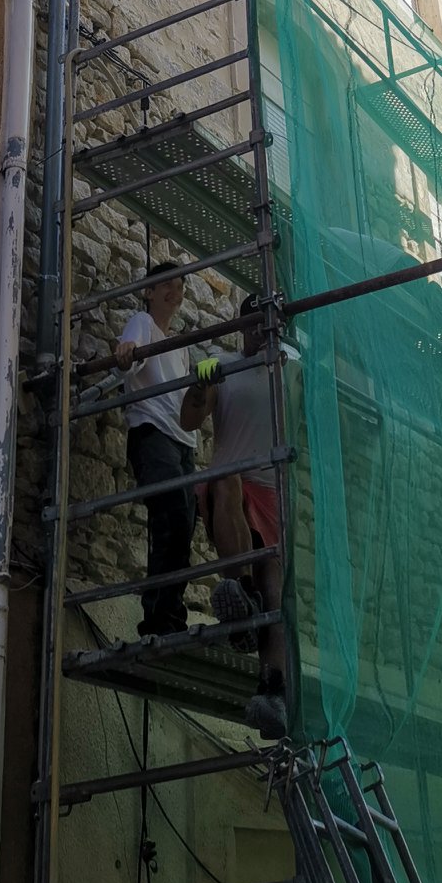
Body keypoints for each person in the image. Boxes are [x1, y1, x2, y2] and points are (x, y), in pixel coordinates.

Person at [179, 295, 287, 739]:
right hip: (232, 483)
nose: (260, 330)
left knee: (275, 591)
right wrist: (201, 385)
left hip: (271, 489)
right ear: (242, 323)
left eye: (267, 323)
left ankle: (273, 689)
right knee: (223, 479)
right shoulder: (220, 363)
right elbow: (188, 419)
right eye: (253, 321)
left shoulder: (284, 368)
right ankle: (239, 593)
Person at [115, 262, 197, 638]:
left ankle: (170, 614)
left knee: (182, 525)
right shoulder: (141, 323)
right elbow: (128, 353)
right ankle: (159, 616)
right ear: (148, 291)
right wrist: (128, 350)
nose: (173, 289)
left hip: (181, 441)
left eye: (178, 284)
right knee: (172, 517)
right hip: (152, 431)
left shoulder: (180, 347)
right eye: (165, 283)